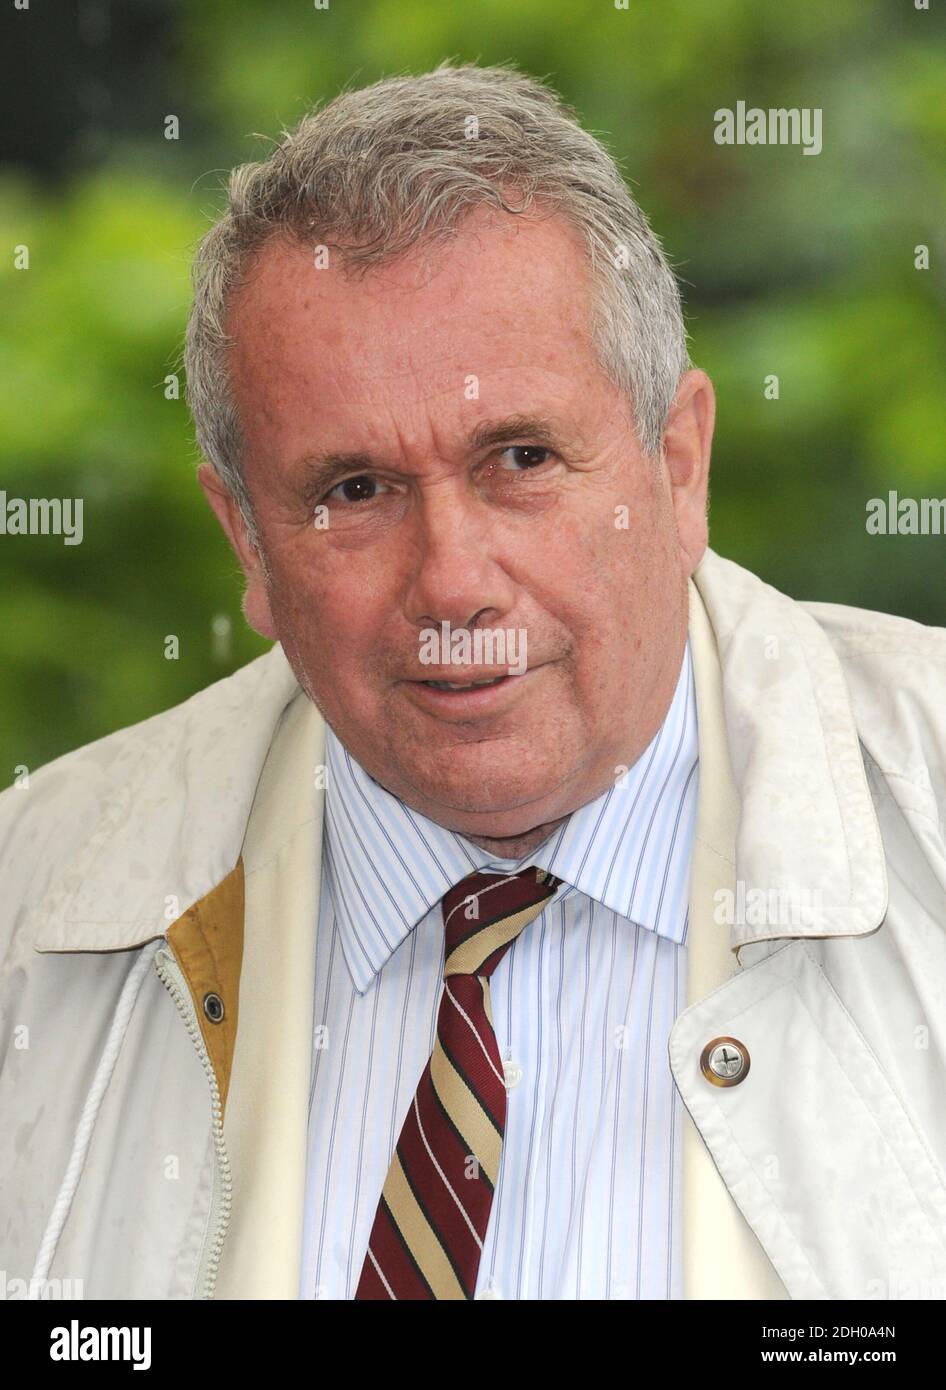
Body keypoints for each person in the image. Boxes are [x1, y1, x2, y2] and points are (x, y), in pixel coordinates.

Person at [2, 60, 944, 1303]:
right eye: (354, 491)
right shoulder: (32, 905)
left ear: (677, 467)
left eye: (520, 457)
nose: (452, 582)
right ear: (248, 545)